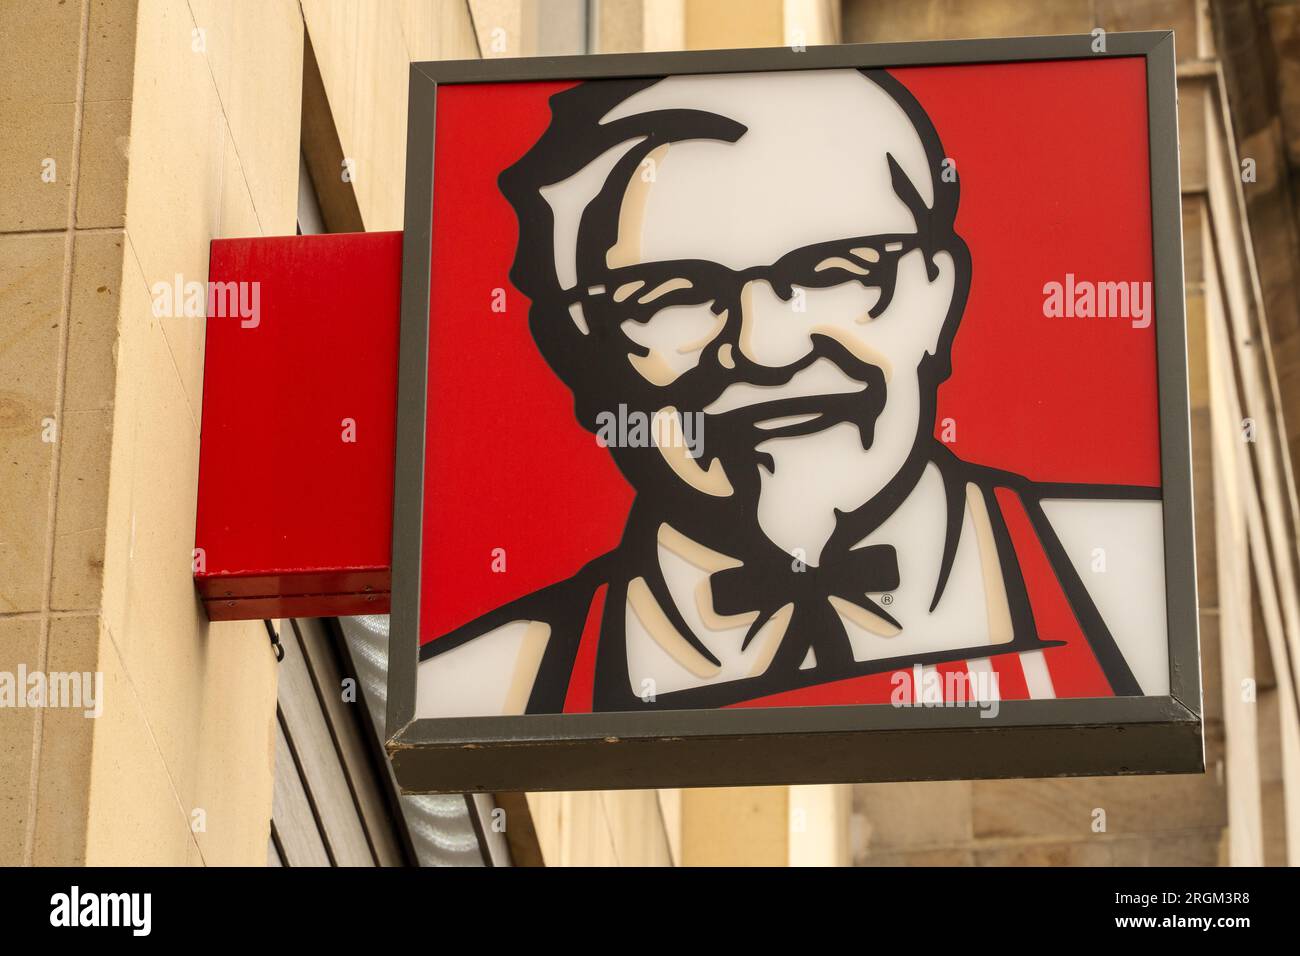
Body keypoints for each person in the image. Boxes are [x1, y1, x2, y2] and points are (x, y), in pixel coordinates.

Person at [416, 67, 1169, 716]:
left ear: (939, 298)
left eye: (838, 272)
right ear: (577, 353)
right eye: (670, 295)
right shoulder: (480, 688)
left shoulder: (1127, 584)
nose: (764, 346)